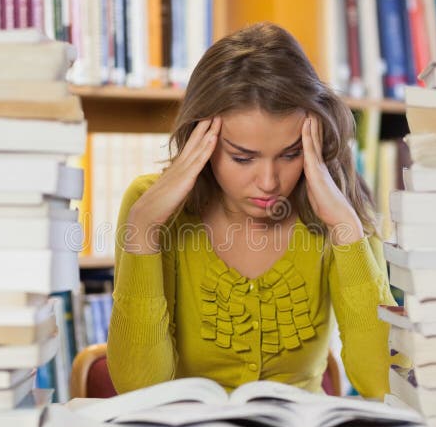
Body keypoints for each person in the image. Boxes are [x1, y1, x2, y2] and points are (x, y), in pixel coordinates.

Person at [107, 22, 395, 399]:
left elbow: (385, 384)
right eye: (243, 158)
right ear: (201, 141)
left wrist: (345, 229)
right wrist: (143, 229)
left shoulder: (341, 205)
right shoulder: (149, 206)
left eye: (291, 154)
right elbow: (140, 389)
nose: (269, 182)